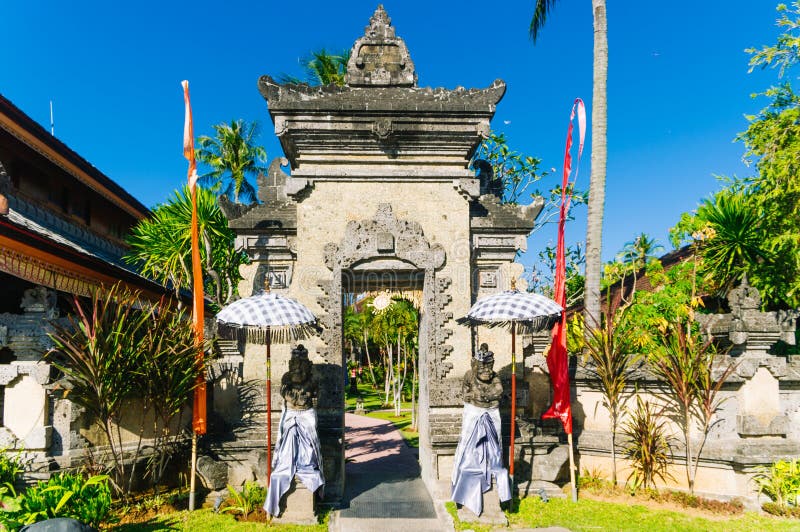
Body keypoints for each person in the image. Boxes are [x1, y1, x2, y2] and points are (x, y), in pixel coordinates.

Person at [264, 345, 325, 517]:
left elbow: (314, 397)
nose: (297, 368)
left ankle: (307, 466)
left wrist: (305, 398)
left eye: (301, 364)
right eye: (294, 364)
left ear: (307, 364)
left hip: (306, 416)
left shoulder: (312, 380)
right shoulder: (286, 378)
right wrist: (295, 397)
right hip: (291, 416)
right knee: (287, 448)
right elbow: (286, 393)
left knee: (309, 447)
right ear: (290, 364)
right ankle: (286, 467)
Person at [451, 343, 511, 516]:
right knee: (468, 442)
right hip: (474, 412)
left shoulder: (495, 377)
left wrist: (483, 396)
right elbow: (465, 394)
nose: (487, 370)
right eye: (483, 366)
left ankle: (495, 476)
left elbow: (499, 391)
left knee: (494, 445)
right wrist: (479, 396)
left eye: (490, 366)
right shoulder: (469, 375)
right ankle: (463, 483)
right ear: (475, 365)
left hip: (491, 412)